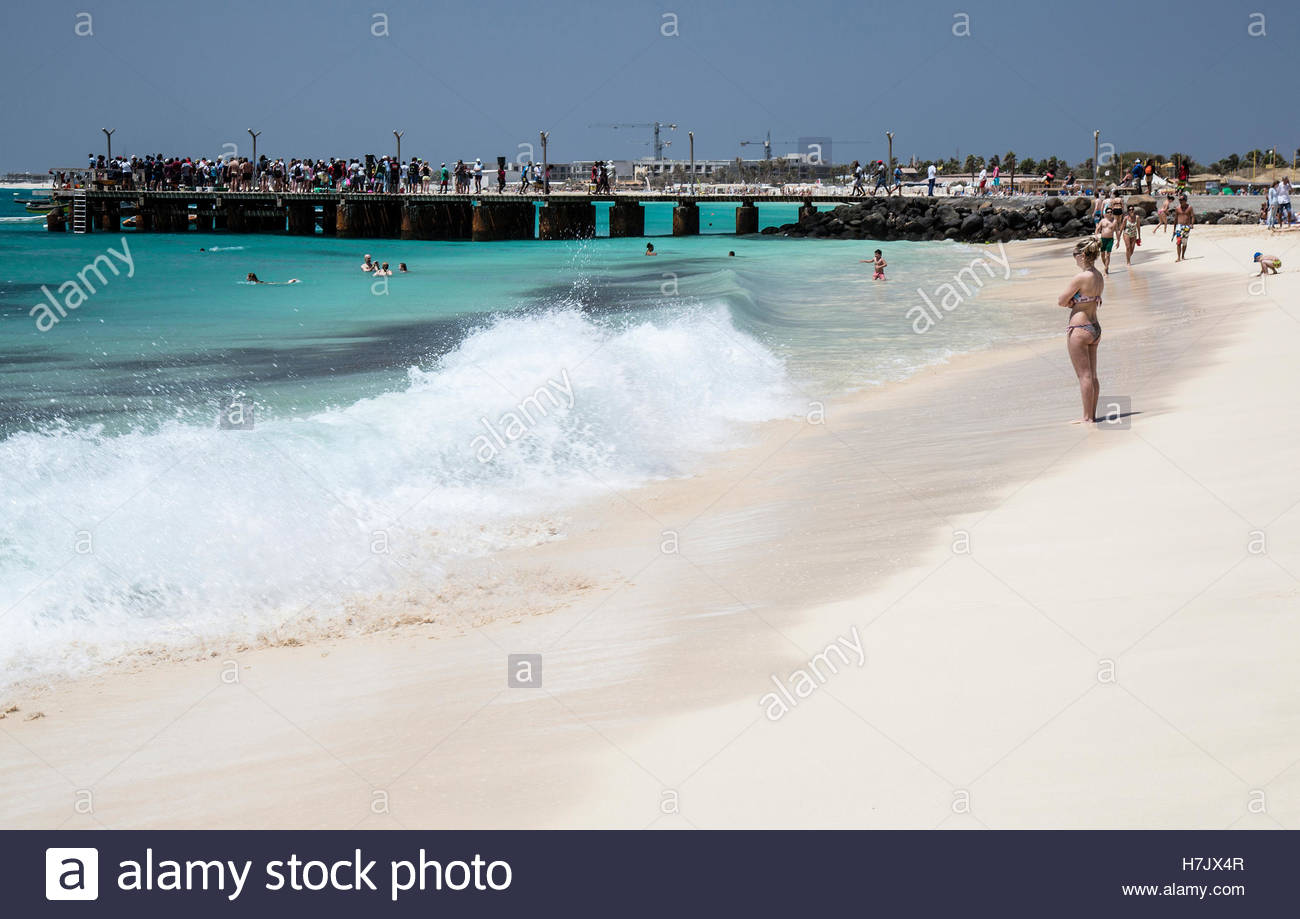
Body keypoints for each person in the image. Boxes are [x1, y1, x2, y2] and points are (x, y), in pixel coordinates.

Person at [1057, 237, 1105, 424]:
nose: (1074, 258)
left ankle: (1087, 417)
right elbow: (1091, 298)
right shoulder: (1098, 276)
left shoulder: (1081, 277)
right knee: (1092, 375)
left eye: (1075, 255)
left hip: (1079, 327)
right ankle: (1091, 414)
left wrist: (1071, 302)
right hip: (1095, 327)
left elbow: (1061, 301)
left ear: (1083, 255)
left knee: (1083, 376)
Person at [1172, 194, 1195, 262]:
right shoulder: (1177, 208)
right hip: (1179, 227)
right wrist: (1174, 229)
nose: (1180, 201)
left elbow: (1192, 216)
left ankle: (1183, 256)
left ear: (1185, 200)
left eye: (1182, 200)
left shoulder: (1190, 208)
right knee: (1178, 242)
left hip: (1186, 227)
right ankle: (1178, 257)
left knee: (1184, 243)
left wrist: (1192, 224)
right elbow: (1175, 219)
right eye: (1179, 200)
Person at [1095, 208, 1118, 274]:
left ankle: (1105, 269)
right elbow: (1098, 229)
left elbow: (1117, 231)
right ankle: (1106, 266)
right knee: (1102, 255)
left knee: (1108, 255)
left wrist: (1118, 241)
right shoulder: (1102, 221)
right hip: (1103, 239)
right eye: (1108, 212)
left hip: (1110, 239)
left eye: (1111, 212)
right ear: (1106, 213)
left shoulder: (1114, 221)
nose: (1110, 213)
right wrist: (1096, 236)